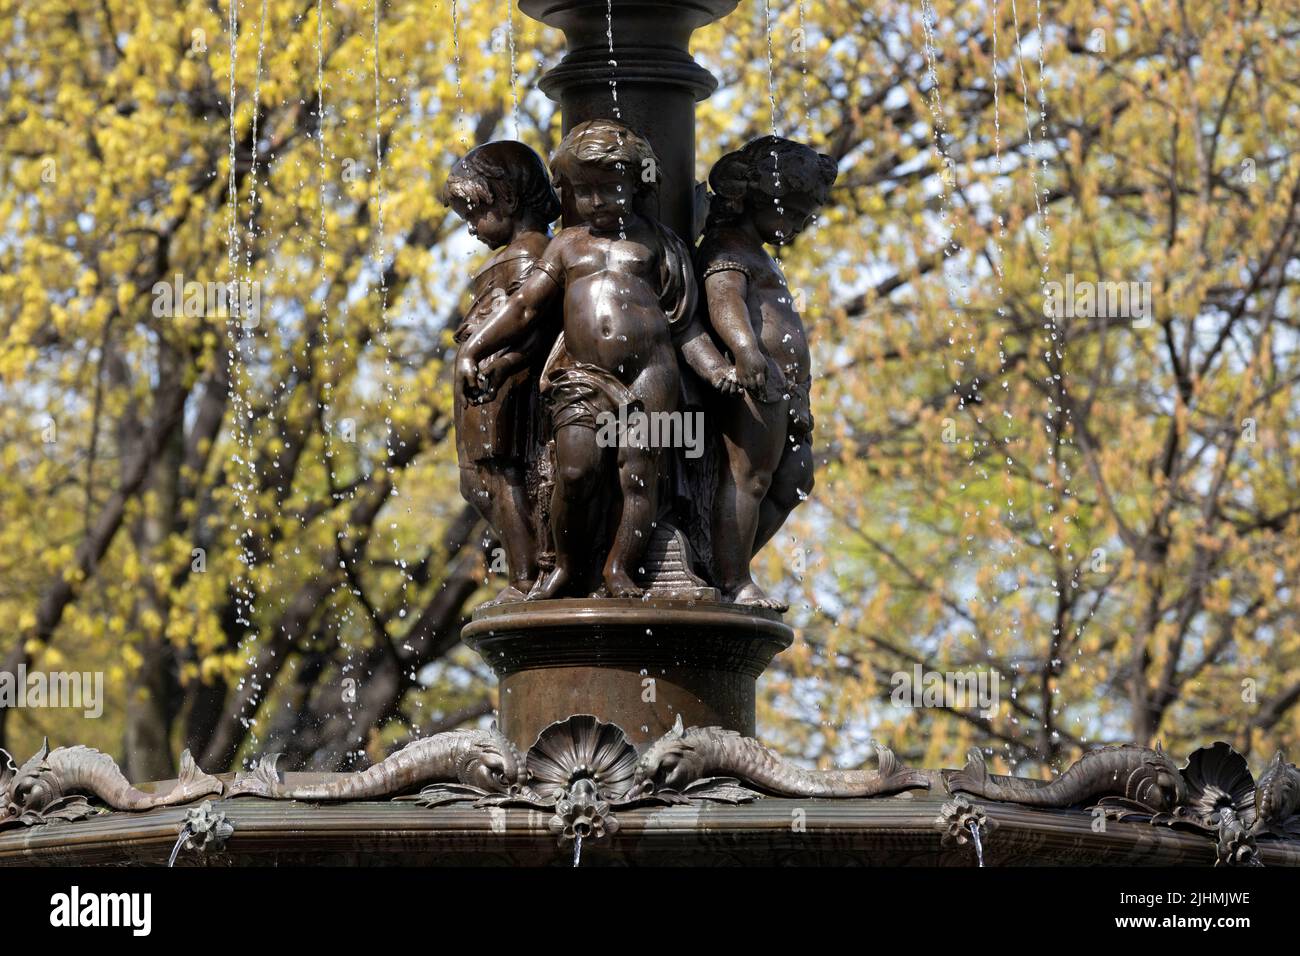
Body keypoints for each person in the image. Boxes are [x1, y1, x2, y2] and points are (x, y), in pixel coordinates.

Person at [459, 120, 695, 600]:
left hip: (652, 372)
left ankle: (618, 570)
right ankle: (565, 566)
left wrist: (716, 368)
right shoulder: (566, 244)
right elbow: (525, 306)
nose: (598, 201)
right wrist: (474, 347)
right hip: (582, 377)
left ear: (637, 183)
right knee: (575, 471)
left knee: (638, 473)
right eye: (583, 191)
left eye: (611, 188)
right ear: (566, 190)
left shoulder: (660, 243)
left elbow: (684, 322)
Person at [689, 136, 837, 609]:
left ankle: (720, 564)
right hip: (755, 381)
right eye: (791, 212)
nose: (797, 224)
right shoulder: (727, 245)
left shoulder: (760, 251)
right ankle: (733, 580)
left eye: (805, 216)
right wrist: (745, 350)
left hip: (787, 389)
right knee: (748, 477)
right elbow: (724, 300)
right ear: (756, 197)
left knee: (795, 477)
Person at [441, 141, 561, 603]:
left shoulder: (531, 254)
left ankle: (526, 577)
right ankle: (527, 569)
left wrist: (500, 362)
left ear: (508, 199)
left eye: (474, 214)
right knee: (480, 484)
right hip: (483, 388)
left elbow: (534, 323)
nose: (471, 229)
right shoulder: (515, 252)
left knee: (502, 479)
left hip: (503, 385)